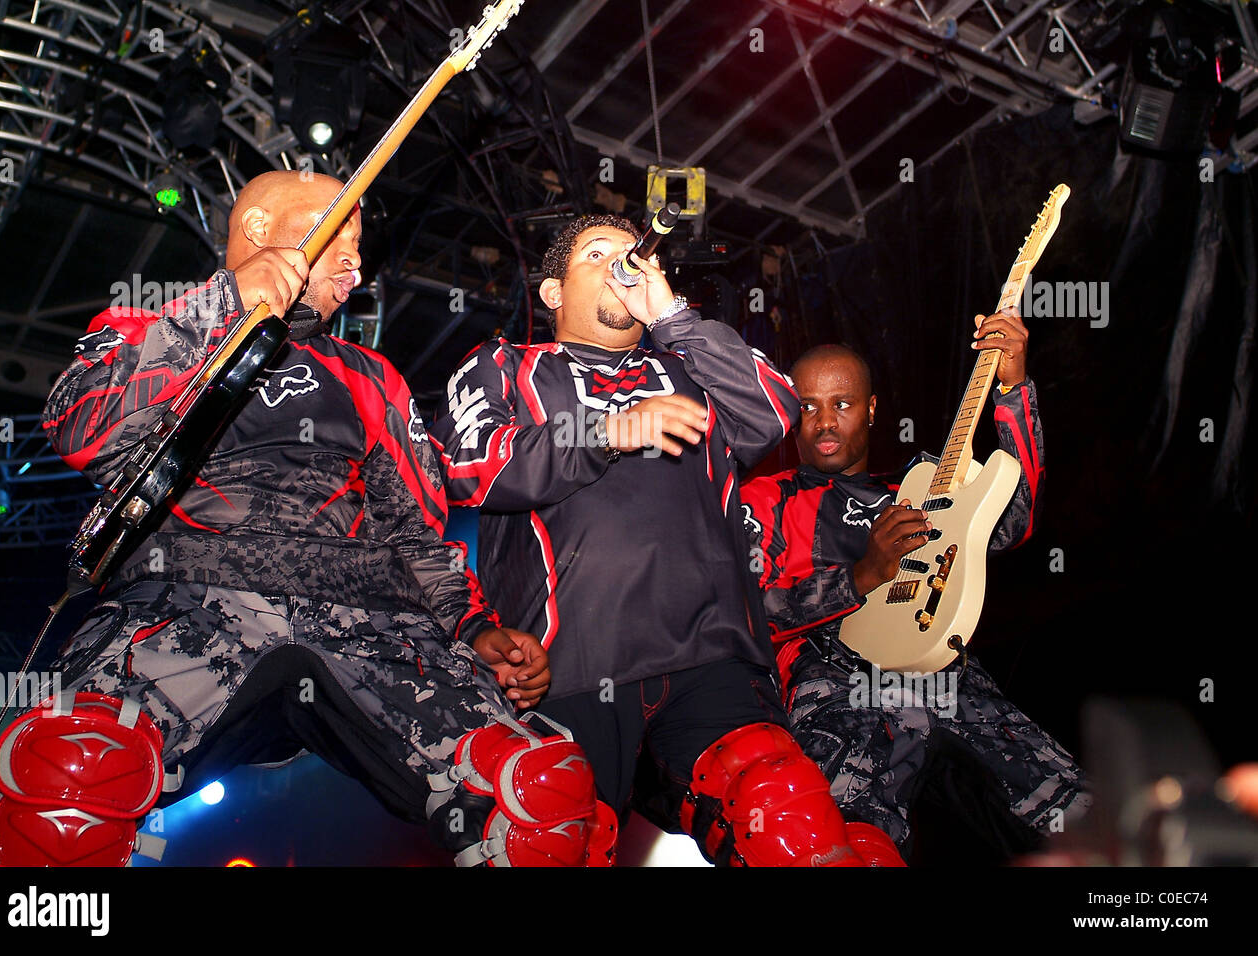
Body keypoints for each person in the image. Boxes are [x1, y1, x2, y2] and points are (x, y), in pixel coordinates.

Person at [0, 171, 611, 868]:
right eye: (337, 238)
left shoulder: (371, 375)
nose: (354, 265)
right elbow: (80, 422)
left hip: (367, 624)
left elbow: (418, 536)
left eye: (360, 249)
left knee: (545, 799)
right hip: (188, 601)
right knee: (70, 780)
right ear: (262, 231)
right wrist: (226, 305)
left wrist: (474, 628)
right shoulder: (161, 325)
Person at [429, 213, 904, 866]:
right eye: (599, 255)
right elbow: (473, 465)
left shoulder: (689, 366)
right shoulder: (506, 364)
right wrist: (604, 433)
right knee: (551, 834)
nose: (623, 265)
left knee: (793, 821)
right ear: (552, 293)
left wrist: (671, 314)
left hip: (713, 655)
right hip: (567, 662)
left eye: (635, 256)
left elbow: (774, 410)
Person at [741, 310, 1090, 861]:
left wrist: (1013, 387)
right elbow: (743, 617)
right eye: (807, 406)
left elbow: (1013, 520)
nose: (825, 422)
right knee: (843, 841)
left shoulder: (918, 487)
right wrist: (859, 578)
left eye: (843, 404)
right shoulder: (765, 500)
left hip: (948, 677)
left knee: (1079, 813)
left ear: (873, 409)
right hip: (836, 690)